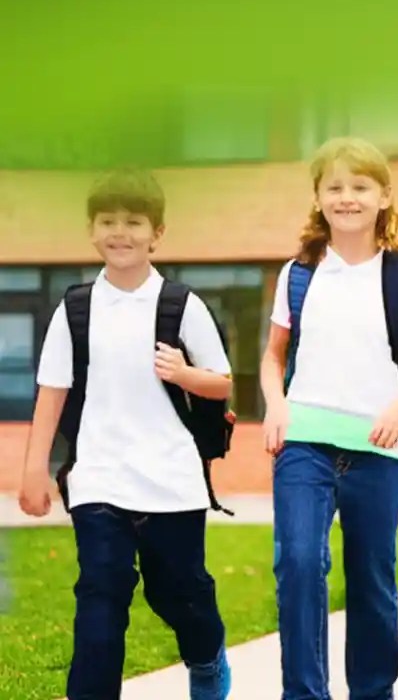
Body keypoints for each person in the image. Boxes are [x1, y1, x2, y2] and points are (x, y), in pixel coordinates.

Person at [19, 168, 234, 699]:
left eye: (134, 222)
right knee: (100, 594)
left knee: (180, 594)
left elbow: (222, 382)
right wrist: (33, 471)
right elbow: (52, 392)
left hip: (172, 480)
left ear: (156, 233)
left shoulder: (182, 306)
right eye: (108, 221)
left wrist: (184, 374)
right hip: (98, 478)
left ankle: (206, 658)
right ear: (92, 230)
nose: (121, 232)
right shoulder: (74, 309)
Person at [259, 137, 398, 700]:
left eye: (360, 186)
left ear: (383, 195)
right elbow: (273, 357)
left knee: (371, 583)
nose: (347, 197)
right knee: (297, 566)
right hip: (304, 445)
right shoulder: (298, 274)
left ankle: (373, 692)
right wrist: (275, 405)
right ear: (318, 197)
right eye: (335, 187)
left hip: (379, 448)